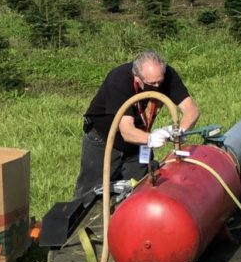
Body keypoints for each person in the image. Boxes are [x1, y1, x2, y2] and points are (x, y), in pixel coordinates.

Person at [72, 50, 200, 199]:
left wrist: (180, 131)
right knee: (91, 194)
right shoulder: (119, 80)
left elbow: (192, 110)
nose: (157, 87)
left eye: (160, 81)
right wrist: (151, 138)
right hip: (104, 140)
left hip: (138, 141)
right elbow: (127, 131)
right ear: (137, 77)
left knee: (139, 189)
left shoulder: (167, 75)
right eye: (151, 84)